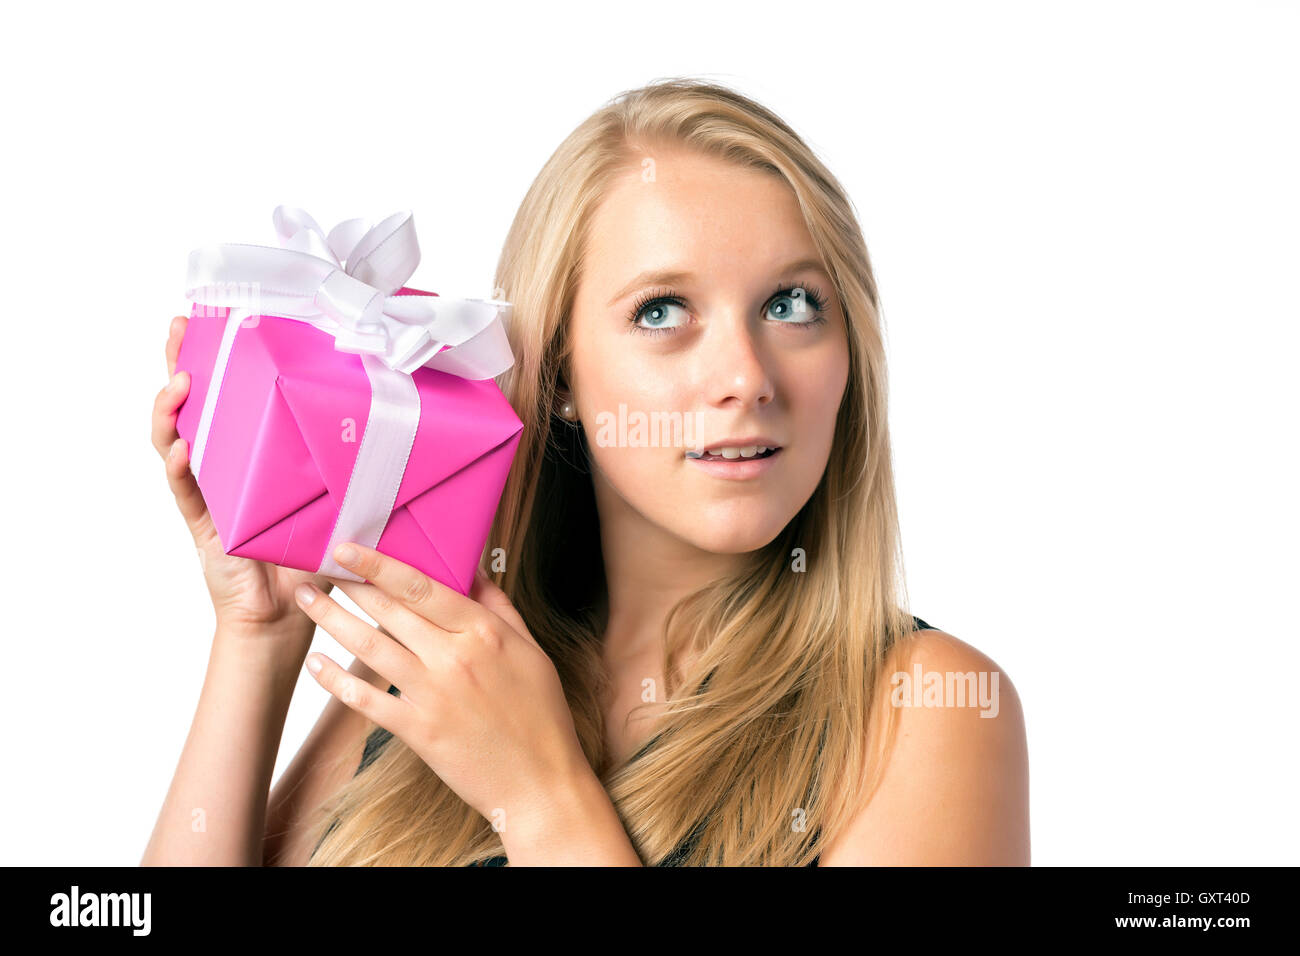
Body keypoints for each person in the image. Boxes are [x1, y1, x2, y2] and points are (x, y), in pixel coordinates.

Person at [142, 77, 1029, 867]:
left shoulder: (932, 712)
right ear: (560, 372)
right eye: (663, 310)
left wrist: (539, 800)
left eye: (792, 305)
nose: (748, 379)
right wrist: (256, 642)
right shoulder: (452, 657)